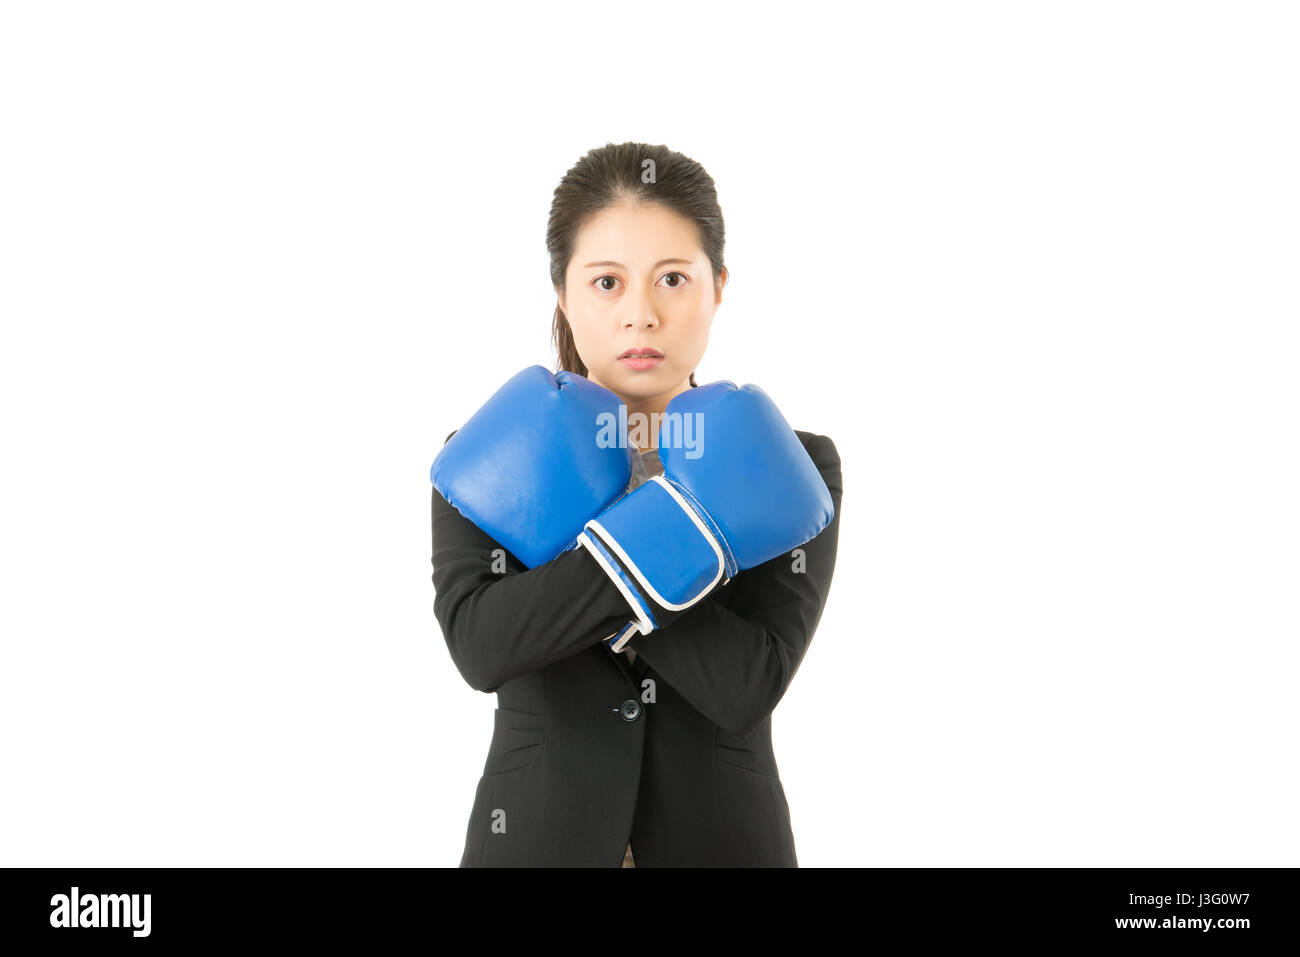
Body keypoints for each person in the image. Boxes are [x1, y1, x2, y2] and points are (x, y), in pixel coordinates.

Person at [430, 141, 843, 866]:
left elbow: (748, 682)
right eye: (607, 283)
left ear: (718, 286)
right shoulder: (488, 454)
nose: (641, 316)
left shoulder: (795, 462)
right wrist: (643, 523)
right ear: (562, 293)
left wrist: (592, 533)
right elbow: (482, 646)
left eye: (673, 279)